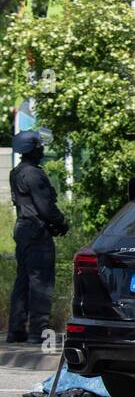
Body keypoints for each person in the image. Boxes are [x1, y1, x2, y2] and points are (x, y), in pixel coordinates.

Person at [8, 129, 68, 345]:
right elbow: (44, 206)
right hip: (36, 232)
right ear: (32, 149)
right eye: (39, 146)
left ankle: (16, 330)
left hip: (23, 230)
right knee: (41, 282)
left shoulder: (16, 172)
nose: (42, 149)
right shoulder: (33, 173)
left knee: (23, 280)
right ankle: (37, 331)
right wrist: (61, 222)